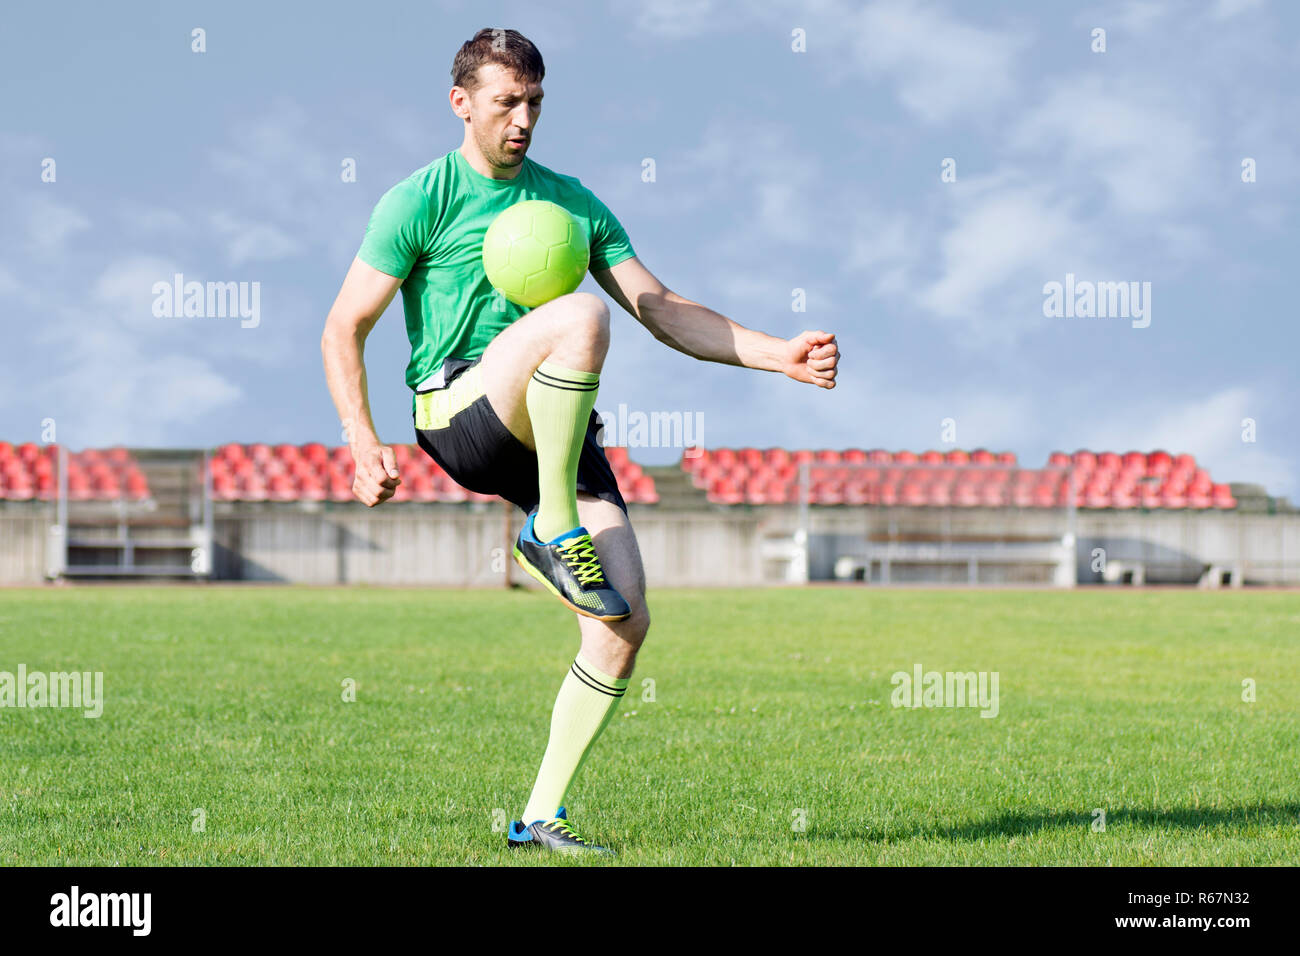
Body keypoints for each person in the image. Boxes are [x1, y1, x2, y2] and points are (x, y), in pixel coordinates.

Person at [321, 27, 839, 855]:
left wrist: (777, 354)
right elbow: (344, 326)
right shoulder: (418, 199)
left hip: (549, 430)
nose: (522, 119)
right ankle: (553, 525)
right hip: (459, 409)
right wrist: (361, 438)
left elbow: (662, 307)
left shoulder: (572, 202)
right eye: (505, 103)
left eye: (534, 102)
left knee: (623, 621)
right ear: (461, 104)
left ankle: (540, 815)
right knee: (580, 316)